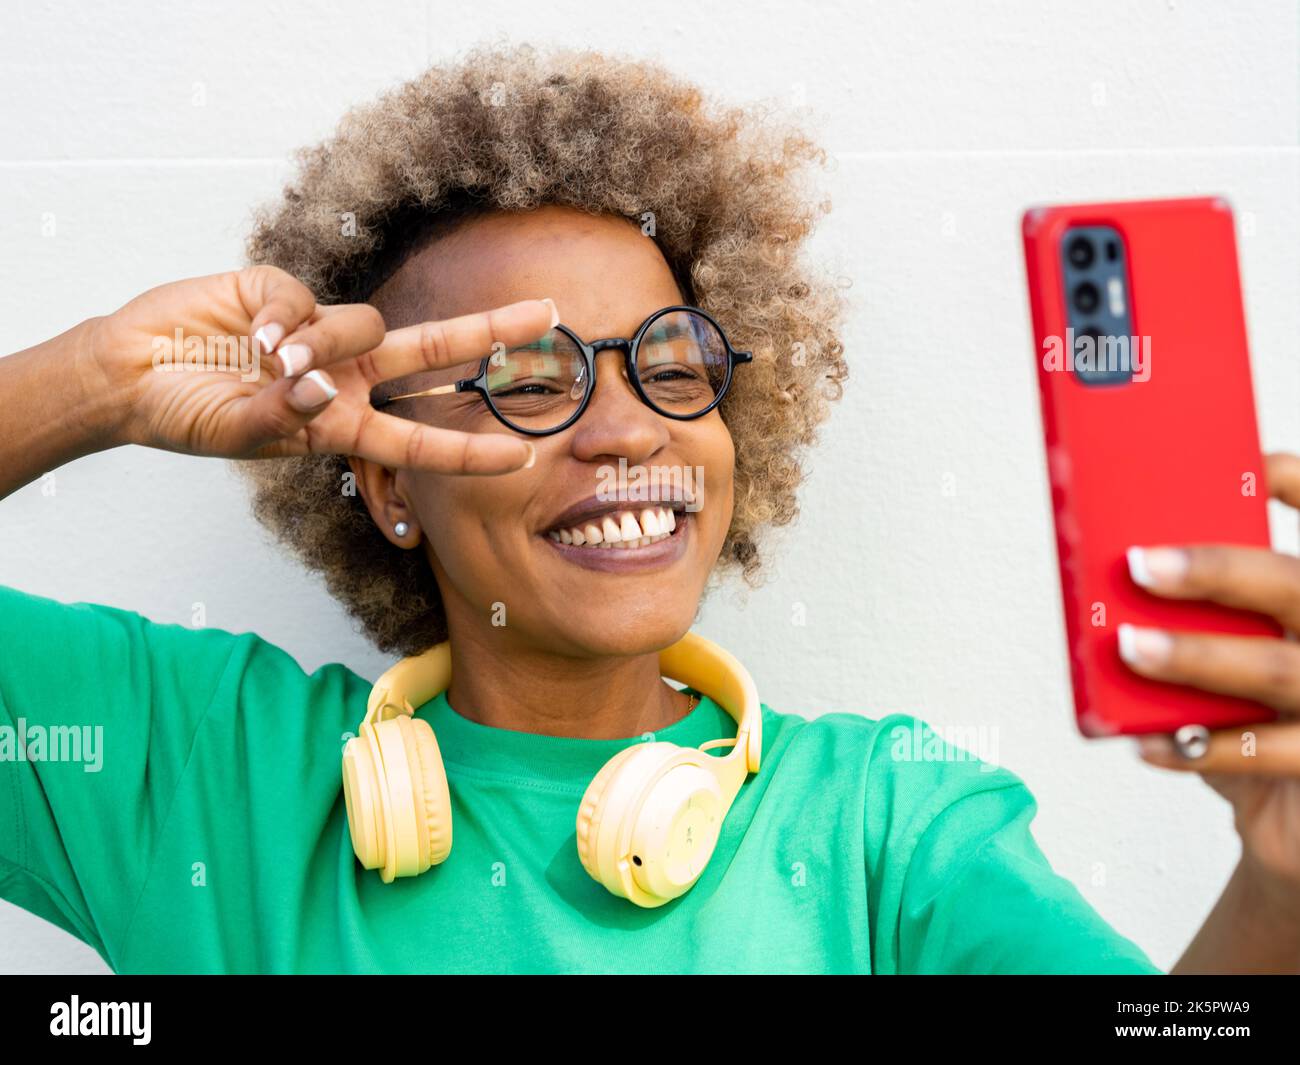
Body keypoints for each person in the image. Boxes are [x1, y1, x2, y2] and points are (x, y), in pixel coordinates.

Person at [2, 43, 1298, 975]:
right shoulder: (199, 770)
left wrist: (1281, 886)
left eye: (673, 363)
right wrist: (95, 382)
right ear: (390, 483)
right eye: (524, 378)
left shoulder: (889, 820)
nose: (630, 427)